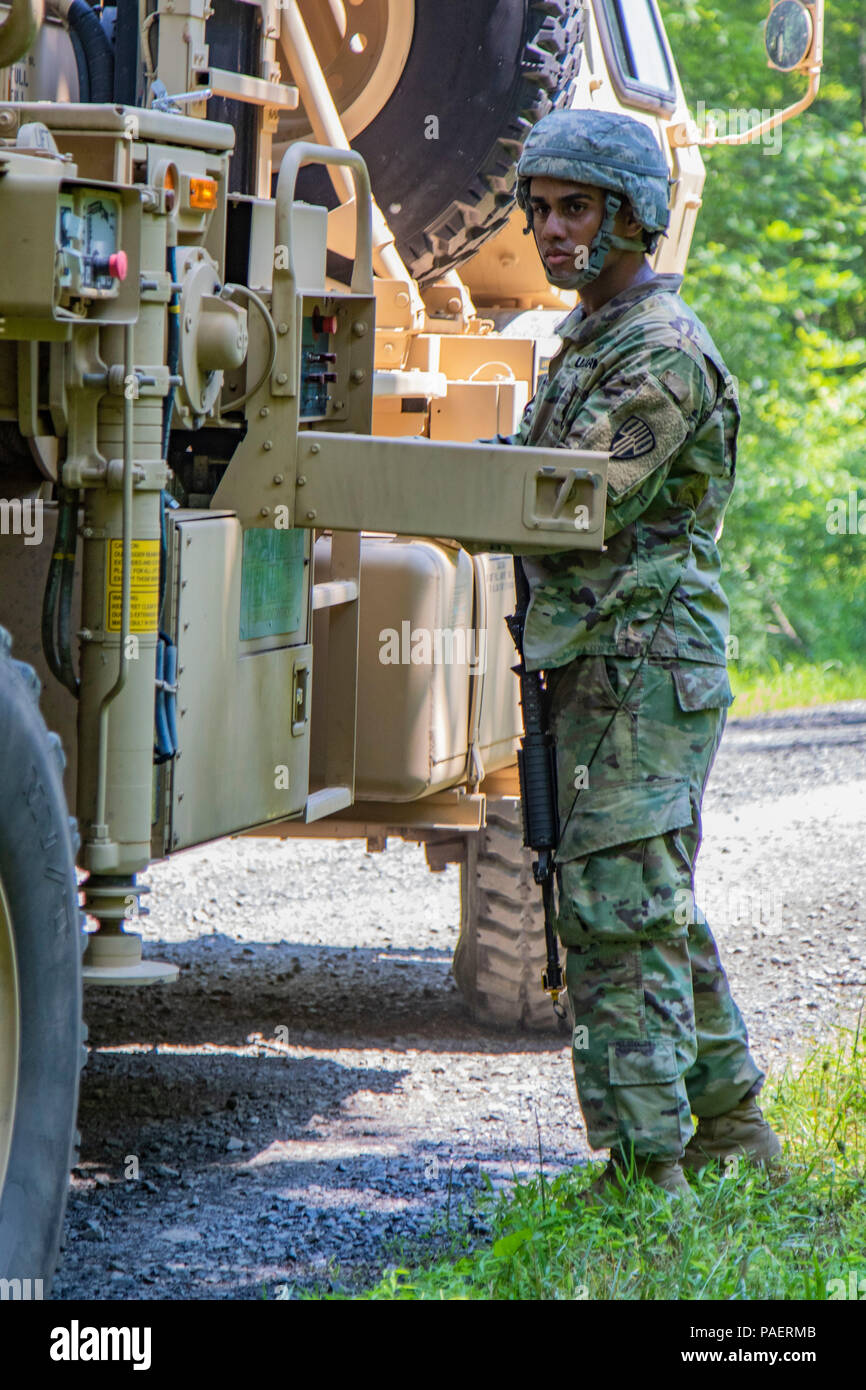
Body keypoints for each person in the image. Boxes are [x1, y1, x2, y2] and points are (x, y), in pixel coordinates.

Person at [501, 108, 781, 1199]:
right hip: (605, 659)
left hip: (640, 666)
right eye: (542, 209)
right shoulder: (594, 339)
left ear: (633, 218)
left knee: (612, 917)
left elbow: (567, 503)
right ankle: (731, 1133)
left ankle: (643, 1174)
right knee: (645, 898)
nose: (550, 231)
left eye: (577, 209)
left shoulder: (656, 354)